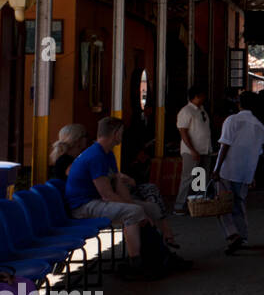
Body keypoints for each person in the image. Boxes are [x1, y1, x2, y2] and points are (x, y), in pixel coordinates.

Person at [65, 117, 188, 276]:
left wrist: (134, 204)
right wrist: (134, 208)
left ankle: (161, 252)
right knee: (134, 213)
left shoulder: (107, 154)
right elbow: (107, 194)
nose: (123, 136)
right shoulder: (95, 156)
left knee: (150, 207)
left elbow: (118, 184)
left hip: (96, 200)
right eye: (122, 133)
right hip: (83, 206)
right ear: (115, 133)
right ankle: (135, 262)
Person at [213, 91, 264, 256]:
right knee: (239, 203)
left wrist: (216, 169)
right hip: (246, 171)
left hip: (228, 169)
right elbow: (258, 152)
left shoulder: (232, 120)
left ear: (239, 103)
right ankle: (242, 236)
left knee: (222, 204)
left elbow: (225, 146)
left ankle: (232, 234)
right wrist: (253, 175)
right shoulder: (259, 125)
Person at [174, 85, 212, 215]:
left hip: (204, 149)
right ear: (196, 96)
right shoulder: (186, 111)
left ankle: (197, 203)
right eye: (202, 95)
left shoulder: (201, 110)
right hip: (192, 151)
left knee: (200, 178)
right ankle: (179, 205)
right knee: (188, 177)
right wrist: (192, 150)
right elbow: (183, 132)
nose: (204, 98)